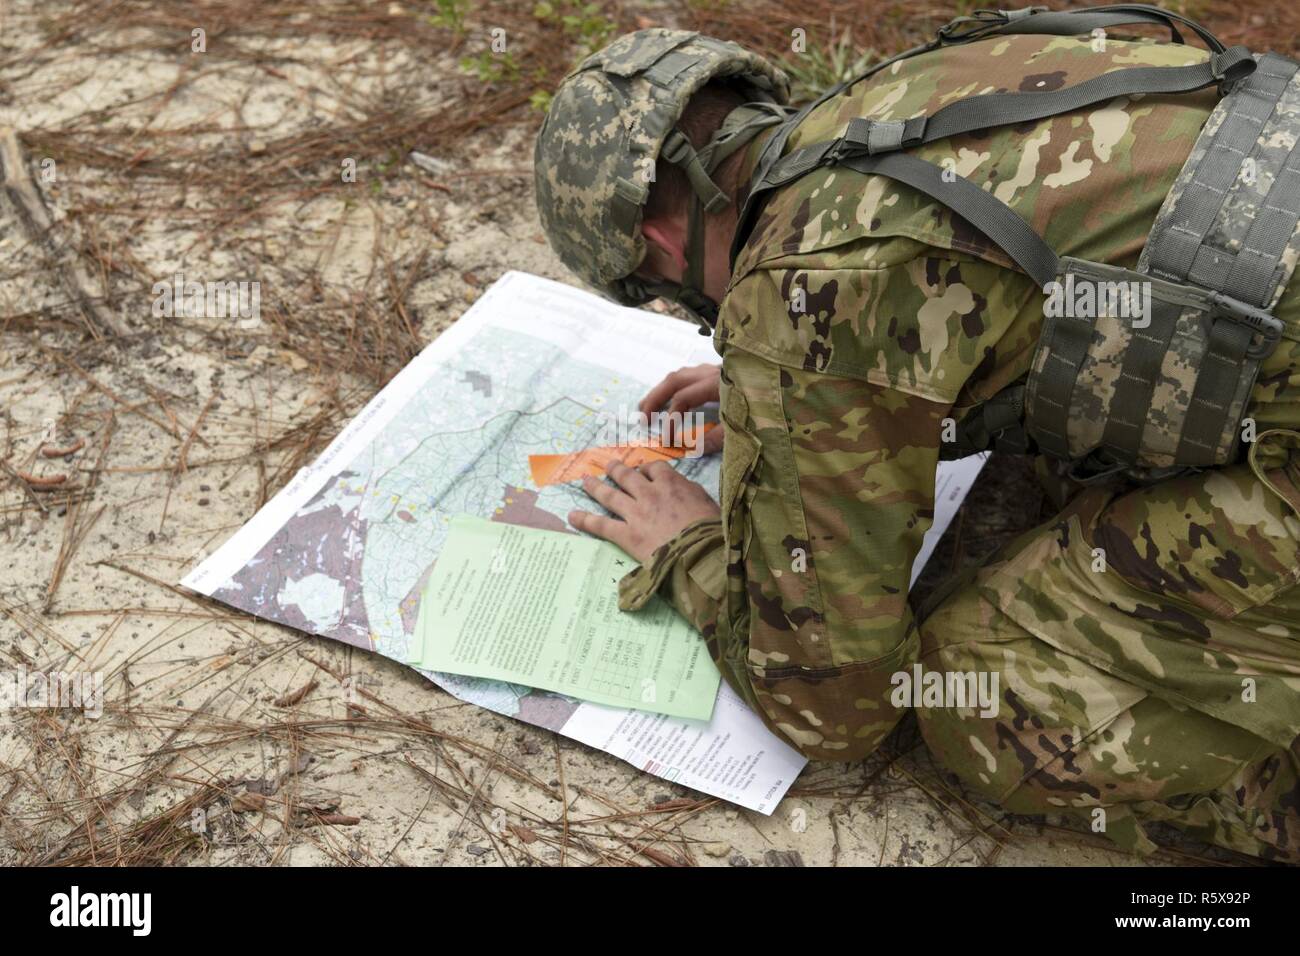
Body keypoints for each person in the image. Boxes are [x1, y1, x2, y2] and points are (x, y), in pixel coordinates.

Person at [533, 13, 1300, 860]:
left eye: (651, 292)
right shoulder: (898, 98)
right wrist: (798, 387)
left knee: (972, 699)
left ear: (657, 242)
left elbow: (832, 706)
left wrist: (692, 547)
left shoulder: (809, 292)